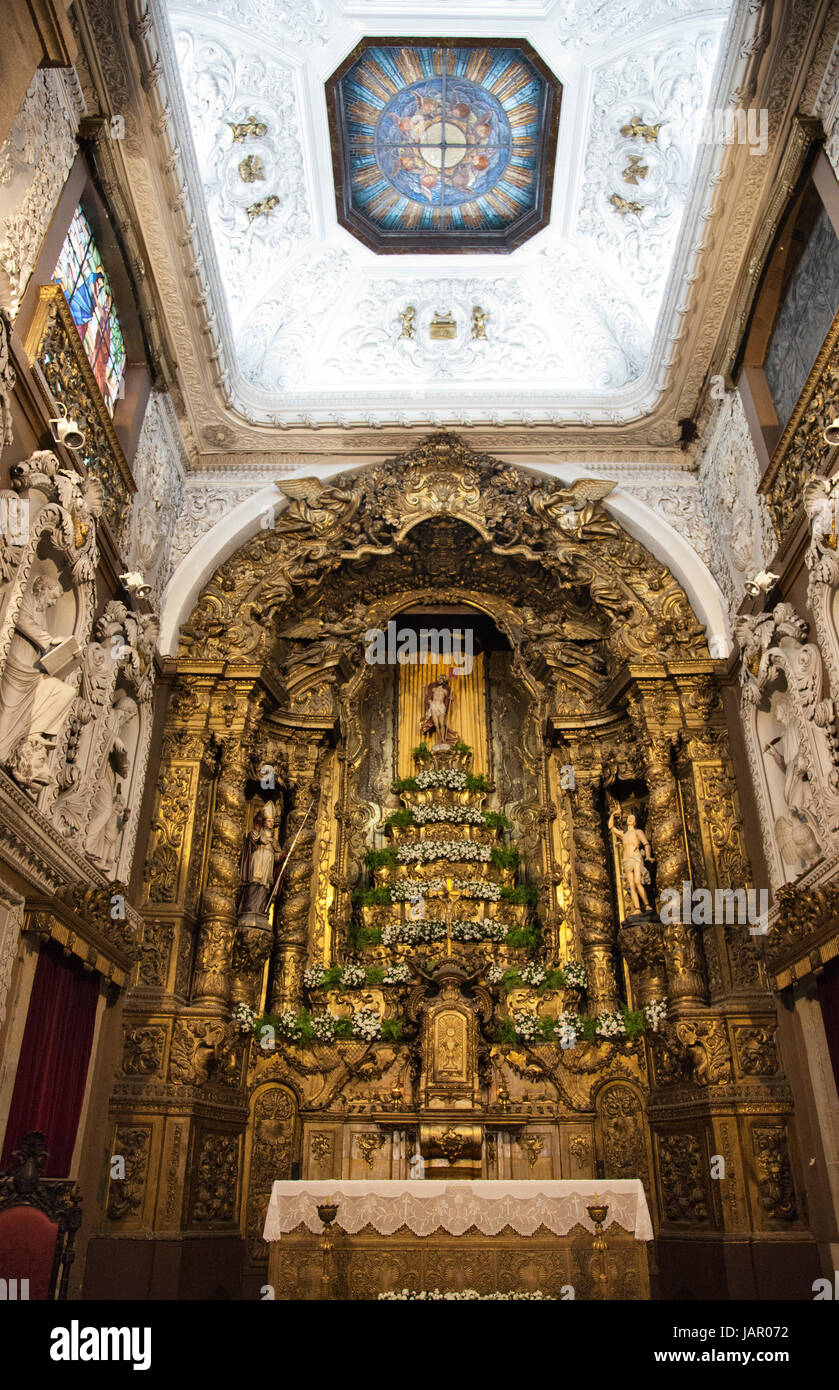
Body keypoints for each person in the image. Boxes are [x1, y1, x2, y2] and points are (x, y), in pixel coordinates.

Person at [237, 802, 286, 915]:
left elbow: (276, 856)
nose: (271, 823)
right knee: (254, 883)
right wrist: (257, 827)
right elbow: (252, 839)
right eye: (269, 821)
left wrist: (282, 856)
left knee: (265, 887)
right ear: (264, 822)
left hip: (268, 864)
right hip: (258, 859)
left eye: (273, 822)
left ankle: (259, 910)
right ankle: (249, 909)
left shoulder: (274, 840)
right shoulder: (259, 833)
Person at [608, 809, 655, 914]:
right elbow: (611, 827)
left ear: (635, 822)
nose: (630, 818)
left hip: (636, 858)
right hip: (627, 860)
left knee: (638, 882)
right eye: (628, 817)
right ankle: (637, 908)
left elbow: (646, 844)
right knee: (631, 884)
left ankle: (647, 905)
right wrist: (613, 814)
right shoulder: (623, 834)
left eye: (632, 818)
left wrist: (648, 856)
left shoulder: (638, 832)